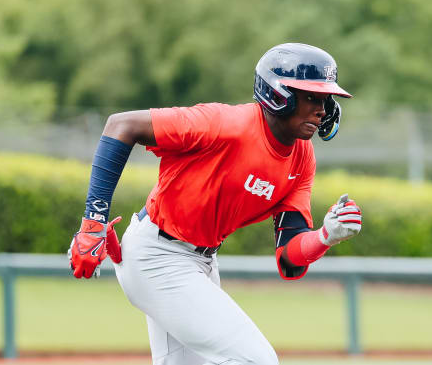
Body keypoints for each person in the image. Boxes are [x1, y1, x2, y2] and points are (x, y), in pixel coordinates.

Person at [67, 43, 364, 365]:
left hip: (199, 264)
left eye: (326, 99)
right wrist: (93, 222)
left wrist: (325, 236)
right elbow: (121, 125)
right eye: (311, 97)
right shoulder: (223, 122)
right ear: (279, 94)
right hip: (157, 257)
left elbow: (290, 258)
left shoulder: (302, 159)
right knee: (256, 360)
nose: (322, 109)